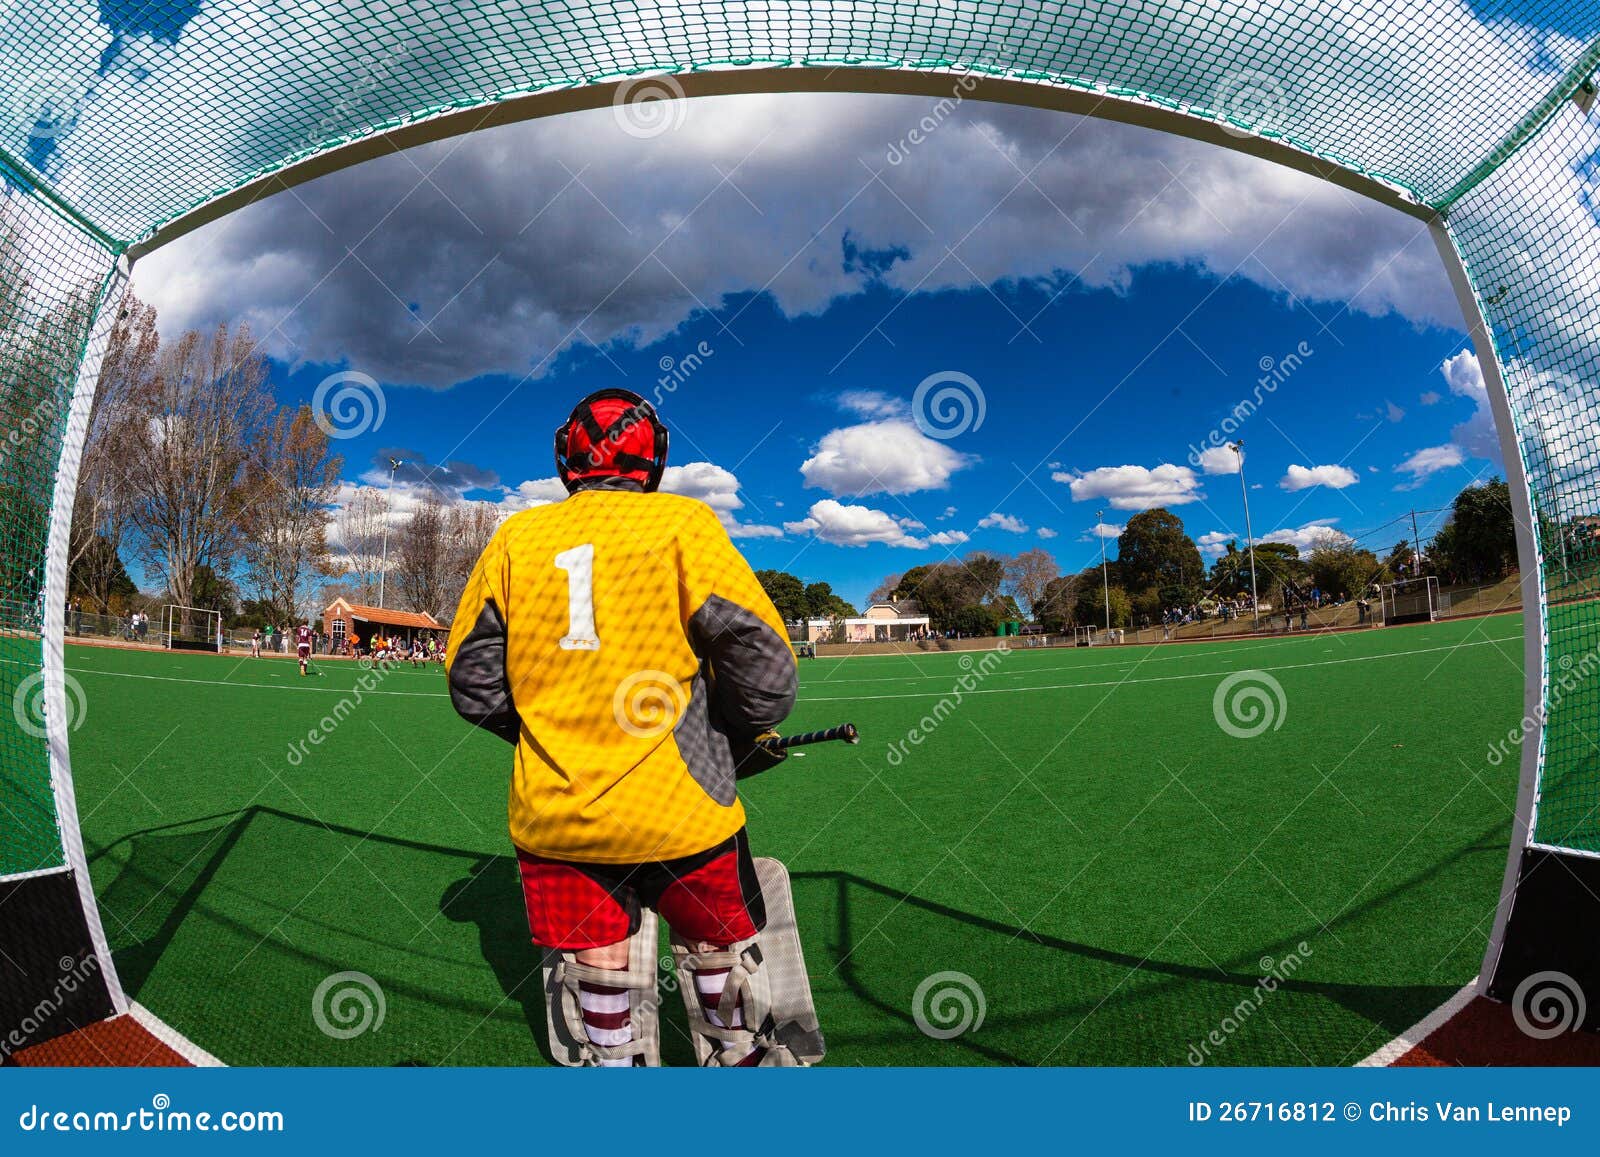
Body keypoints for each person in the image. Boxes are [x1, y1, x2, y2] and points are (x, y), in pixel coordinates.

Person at [447, 388, 817, 1069]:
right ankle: (733, 1054)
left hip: (558, 817)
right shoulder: (684, 523)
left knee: (598, 963)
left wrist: (550, 734)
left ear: (565, 457)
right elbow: (766, 670)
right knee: (714, 947)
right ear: (656, 457)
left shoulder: (515, 538)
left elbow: (472, 684)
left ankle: (614, 1063)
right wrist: (728, 735)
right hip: (684, 809)